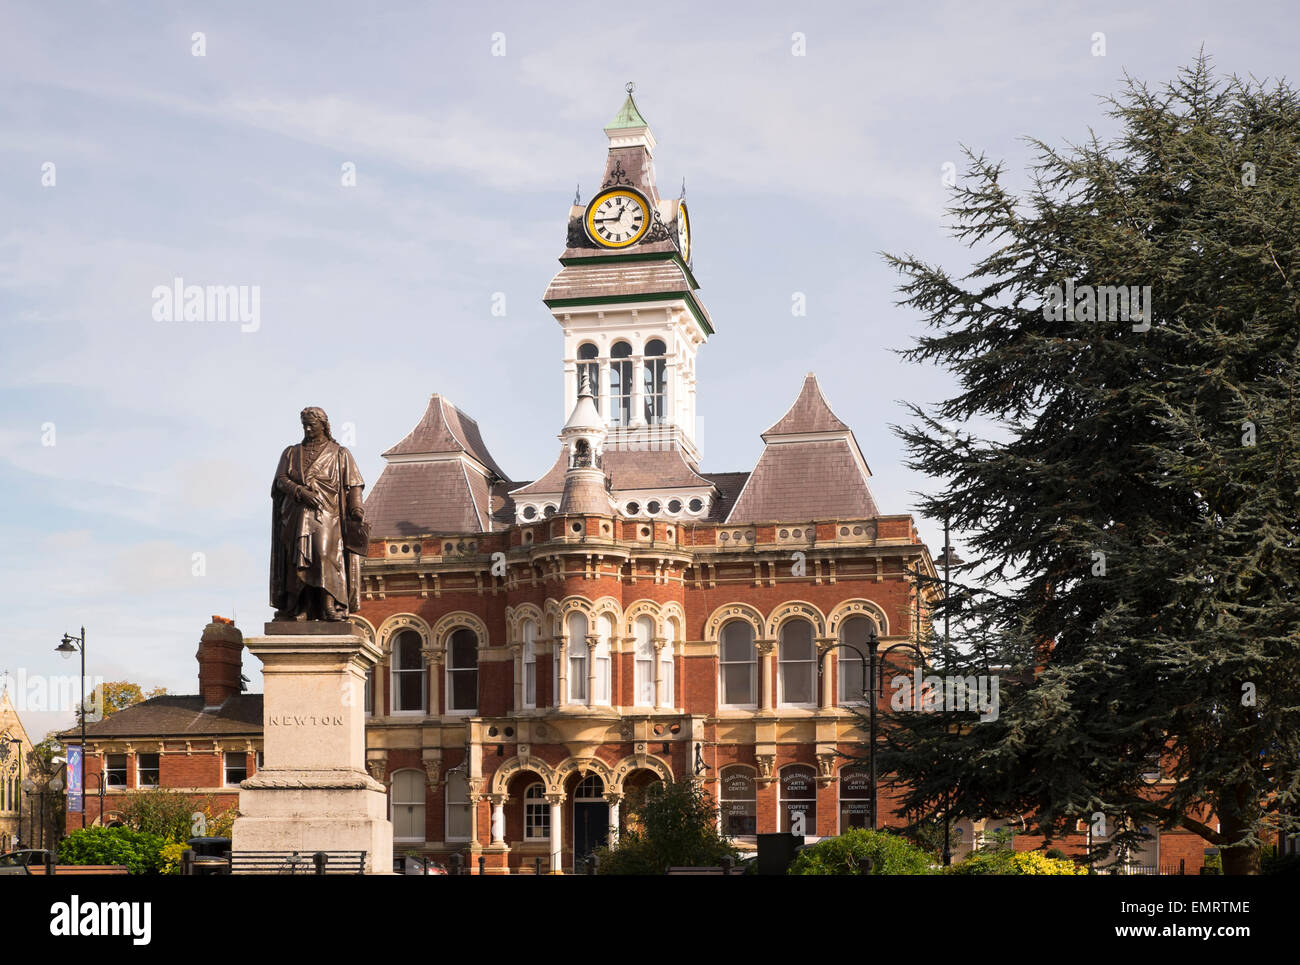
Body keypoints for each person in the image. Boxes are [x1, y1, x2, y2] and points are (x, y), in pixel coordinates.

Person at [269, 407, 366, 621]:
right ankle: (301, 606)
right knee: (298, 560)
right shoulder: (291, 452)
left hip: (328, 514)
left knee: (324, 556)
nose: (307, 428)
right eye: (304, 424)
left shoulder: (340, 453)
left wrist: (356, 509)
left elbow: (354, 484)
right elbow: (280, 480)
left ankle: (329, 604)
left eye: (312, 424)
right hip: (296, 513)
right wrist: (300, 491)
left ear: (323, 424)